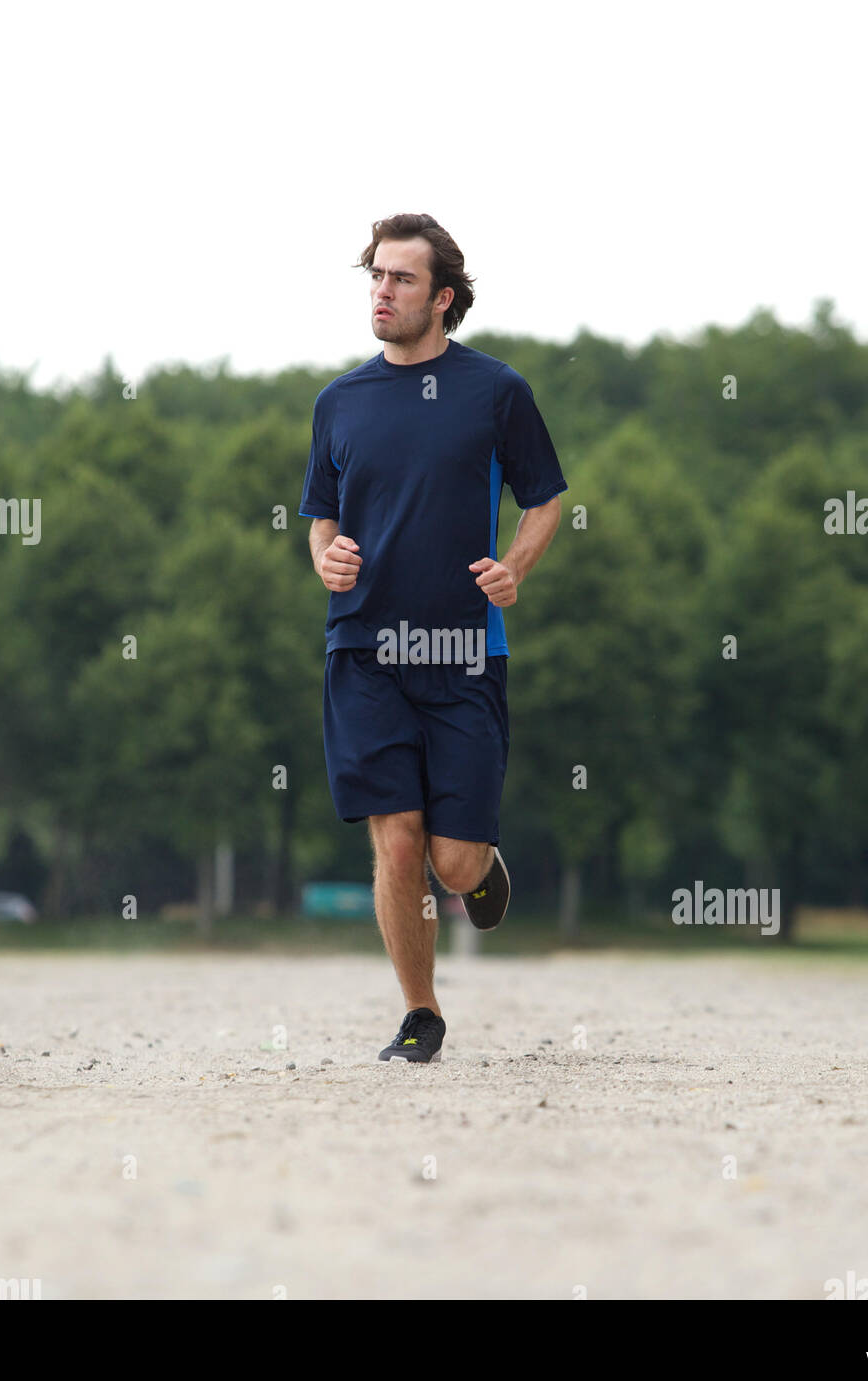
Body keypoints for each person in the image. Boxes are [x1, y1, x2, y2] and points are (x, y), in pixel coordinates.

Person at [299, 213, 566, 1063]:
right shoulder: (338, 401)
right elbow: (320, 518)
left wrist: (514, 567)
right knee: (397, 838)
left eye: (401, 279)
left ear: (442, 298)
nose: (381, 290)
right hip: (363, 651)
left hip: (462, 653)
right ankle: (422, 1012)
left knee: (451, 862)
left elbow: (546, 497)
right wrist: (326, 559)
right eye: (375, 275)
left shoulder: (496, 392)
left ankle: (481, 872)